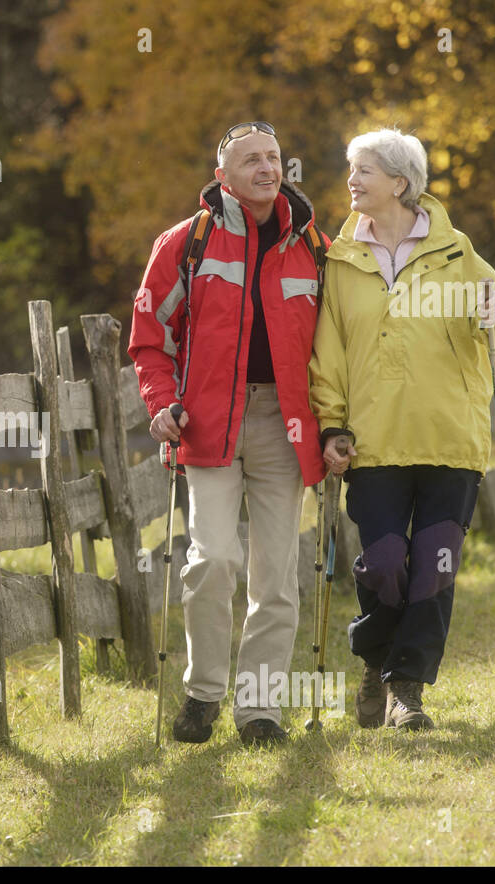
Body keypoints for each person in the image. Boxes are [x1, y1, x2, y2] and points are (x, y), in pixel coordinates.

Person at [309, 127, 495, 731]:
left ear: (401, 184)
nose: (352, 181)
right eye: (350, 170)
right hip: (373, 440)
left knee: (434, 567)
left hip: (449, 438)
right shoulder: (339, 259)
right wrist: (331, 425)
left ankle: (406, 691)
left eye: (365, 171)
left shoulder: (456, 252)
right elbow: (327, 352)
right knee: (383, 563)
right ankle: (376, 661)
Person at [129, 122, 327, 747]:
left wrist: (337, 423)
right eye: (251, 160)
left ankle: (260, 708)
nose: (267, 168)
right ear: (223, 175)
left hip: (286, 425)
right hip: (209, 423)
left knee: (276, 573)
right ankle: (203, 693)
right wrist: (162, 404)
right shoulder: (186, 243)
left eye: (273, 157)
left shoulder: (313, 244)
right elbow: (149, 339)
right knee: (211, 559)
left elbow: (338, 343)